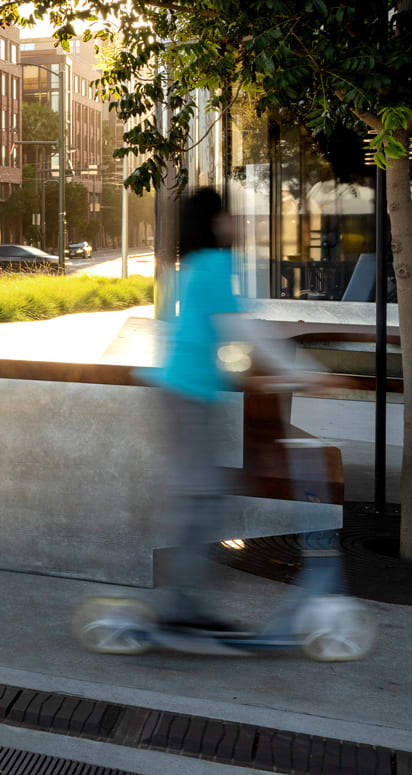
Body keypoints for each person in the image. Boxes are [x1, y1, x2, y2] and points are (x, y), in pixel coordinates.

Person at [143, 188, 322, 633]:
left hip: (187, 392)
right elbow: (241, 328)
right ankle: (179, 609)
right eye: (230, 214)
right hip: (187, 396)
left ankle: (182, 604)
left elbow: (213, 331)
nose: (238, 221)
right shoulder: (215, 266)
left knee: (202, 495)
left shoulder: (198, 266)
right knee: (199, 498)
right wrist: (311, 372)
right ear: (215, 221)